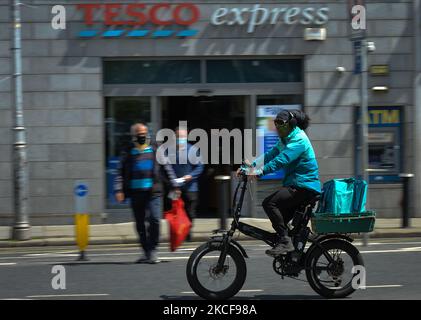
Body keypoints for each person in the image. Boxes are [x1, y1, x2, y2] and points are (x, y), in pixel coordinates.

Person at [238, 109, 321, 256]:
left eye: (280, 123)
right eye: (275, 123)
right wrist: (250, 167)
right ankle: (294, 244)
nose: (277, 126)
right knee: (279, 220)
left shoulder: (299, 140)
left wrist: (259, 172)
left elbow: (281, 160)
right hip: (295, 185)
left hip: (304, 186)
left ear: (291, 124)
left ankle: (286, 242)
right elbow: (271, 155)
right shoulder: (286, 138)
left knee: (270, 203)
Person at [114, 123, 164, 264]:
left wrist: (175, 185)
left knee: (154, 219)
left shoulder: (155, 148)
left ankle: (153, 249)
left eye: (144, 132)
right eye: (139, 133)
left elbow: (166, 167)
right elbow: (119, 172)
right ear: (133, 136)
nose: (142, 136)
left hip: (153, 191)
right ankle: (146, 251)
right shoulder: (127, 151)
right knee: (140, 223)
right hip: (136, 193)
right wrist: (119, 190)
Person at [164, 127, 204, 241]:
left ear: (186, 137)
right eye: (178, 137)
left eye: (182, 137)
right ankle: (176, 233)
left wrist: (191, 176)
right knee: (175, 211)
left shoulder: (193, 150)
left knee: (190, 212)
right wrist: (172, 182)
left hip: (191, 187)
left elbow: (200, 166)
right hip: (175, 188)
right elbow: (167, 167)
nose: (180, 139)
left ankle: (187, 232)